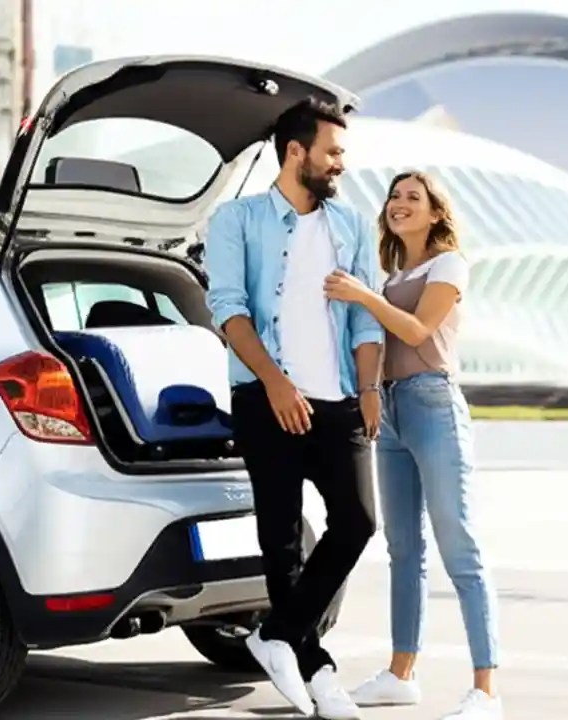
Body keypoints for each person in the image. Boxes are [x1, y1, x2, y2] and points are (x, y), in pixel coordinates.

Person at [203, 99, 384, 720]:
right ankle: (319, 672)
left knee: (357, 521)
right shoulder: (237, 220)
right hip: (266, 394)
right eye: (332, 152)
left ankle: (277, 634)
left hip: (336, 399)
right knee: (281, 539)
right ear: (295, 152)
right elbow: (228, 308)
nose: (341, 163)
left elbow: (365, 317)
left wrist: (368, 389)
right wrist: (276, 384)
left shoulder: (352, 225)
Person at [324, 170, 504, 720]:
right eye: (394, 196)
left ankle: (487, 691)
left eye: (413, 197)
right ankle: (402, 675)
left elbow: (417, 332)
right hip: (393, 412)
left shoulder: (449, 265)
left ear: (434, 213)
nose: (399, 203)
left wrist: (359, 294)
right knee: (404, 550)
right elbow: (376, 340)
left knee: (460, 548)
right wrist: (370, 391)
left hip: (433, 407)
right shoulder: (394, 274)